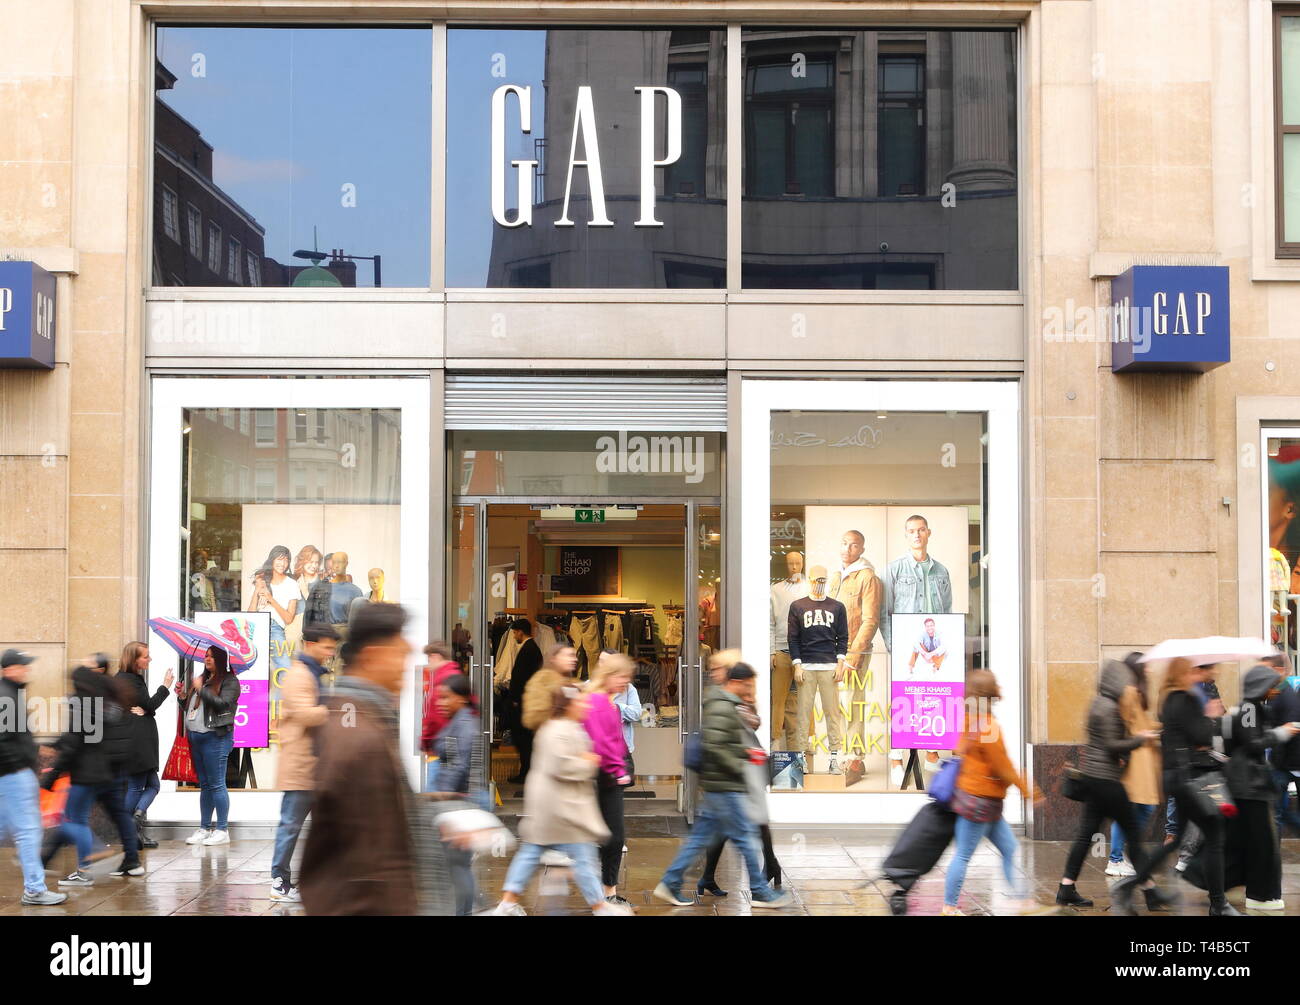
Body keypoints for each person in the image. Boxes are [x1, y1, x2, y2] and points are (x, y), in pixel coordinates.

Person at [300, 603, 448, 915]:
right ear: (372, 657)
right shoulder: (358, 734)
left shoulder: (366, 719)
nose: (406, 670)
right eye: (401, 657)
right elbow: (370, 861)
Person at [655, 663, 795, 910]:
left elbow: (724, 743)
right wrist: (741, 762)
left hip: (720, 785)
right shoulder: (722, 706)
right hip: (725, 785)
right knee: (746, 838)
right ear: (738, 682)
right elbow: (716, 747)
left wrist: (744, 752)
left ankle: (670, 882)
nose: (750, 689)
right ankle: (760, 891)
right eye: (748, 684)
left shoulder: (726, 704)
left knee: (699, 839)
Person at [490, 684, 631, 916]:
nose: (585, 706)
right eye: (580, 702)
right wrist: (589, 761)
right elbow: (562, 766)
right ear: (568, 705)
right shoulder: (559, 730)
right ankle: (599, 905)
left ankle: (508, 902)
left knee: (533, 854)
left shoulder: (561, 727)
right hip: (562, 810)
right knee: (581, 855)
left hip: (556, 809)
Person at [1115, 658, 1235, 916]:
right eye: (1198, 670)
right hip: (1189, 778)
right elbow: (1202, 736)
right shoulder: (1187, 699)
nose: (1203, 673)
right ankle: (1219, 905)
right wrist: (1212, 716)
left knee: (1176, 840)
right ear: (1185, 673)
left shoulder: (1168, 698)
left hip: (1175, 778)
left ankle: (1129, 887)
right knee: (1215, 837)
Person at [1057, 661, 1172, 910]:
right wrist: (1138, 740)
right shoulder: (1109, 707)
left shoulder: (1097, 703)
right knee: (1134, 838)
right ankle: (1151, 892)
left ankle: (1066, 887)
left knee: (1084, 837)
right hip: (1107, 782)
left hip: (1092, 780)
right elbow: (1112, 745)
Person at [942, 669, 1041, 915]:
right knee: (963, 855)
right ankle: (949, 907)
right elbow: (1003, 767)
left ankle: (1023, 901)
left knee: (1008, 847)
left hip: (980, 800)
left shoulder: (969, 720)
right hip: (981, 802)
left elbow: (960, 751)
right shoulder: (987, 727)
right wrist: (1028, 790)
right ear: (990, 694)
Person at [44, 656, 140, 884]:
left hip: (90, 772)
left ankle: (91, 858)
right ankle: (127, 860)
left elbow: (74, 741)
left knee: (72, 819)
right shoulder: (110, 700)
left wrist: (52, 775)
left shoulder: (87, 704)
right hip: (106, 770)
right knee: (91, 817)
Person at [698, 664, 783, 896]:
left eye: (717, 668)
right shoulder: (721, 698)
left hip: (746, 764)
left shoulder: (735, 695)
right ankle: (766, 871)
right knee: (735, 825)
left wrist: (744, 706)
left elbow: (754, 721)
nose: (713, 672)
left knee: (747, 822)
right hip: (737, 766)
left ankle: (766, 869)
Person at [882, 514, 954, 780]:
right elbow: (883, 612)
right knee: (902, 701)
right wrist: (894, 647)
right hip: (906, 645)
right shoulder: (894, 569)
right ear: (906, 535)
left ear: (928, 533)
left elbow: (947, 610)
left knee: (932, 699)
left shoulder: (941, 571)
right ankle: (896, 758)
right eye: (911, 531)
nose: (916, 535)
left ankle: (932, 754)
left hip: (932, 645)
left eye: (921, 530)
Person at [270, 623, 338, 902]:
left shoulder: (314, 673)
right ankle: (279, 882)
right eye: (327, 646)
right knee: (290, 826)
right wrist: (332, 709)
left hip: (316, 766)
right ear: (310, 644)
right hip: (301, 766)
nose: (330, 652)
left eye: (333, 648)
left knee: (325, 827)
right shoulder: (299, 675)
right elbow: (304, 713)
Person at [1224, 663, 1299, 911]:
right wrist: (1281, 733)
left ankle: (1244, 889)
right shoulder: (1248, 708)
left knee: (1251, 841)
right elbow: (1253, 743)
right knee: (1261, 843)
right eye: (1271, 686)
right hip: (1249, 784)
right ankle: (1260, 894)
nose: (1275, 691)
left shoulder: (1251, 707)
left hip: (1249, 783)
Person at [0, 650, 67, 905]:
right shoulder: (6, 696)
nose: (26, 670)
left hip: (10, 775)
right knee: (29, 831)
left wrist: (35, 750)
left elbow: (14, 737)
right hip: (13, 775)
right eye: (22, 666)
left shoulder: (10, 694)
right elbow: (4, 740)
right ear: (9, 669)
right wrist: (20, 766)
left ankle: (35, 888)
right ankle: (35, 890)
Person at [428, 673, 485, 916]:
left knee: (458, 866)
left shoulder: (463, 725)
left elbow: (458, 766)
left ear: (461, 698)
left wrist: (445, 800)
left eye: (446, 697)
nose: (441, 703)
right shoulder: (461, 722)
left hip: (457, 804)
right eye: (439, 698)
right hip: (459, 802)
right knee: (458, 866)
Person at [584, 652, 636, 908]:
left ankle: (608, 892)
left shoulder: (608, 702)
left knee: (613, 836)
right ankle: (603, 895)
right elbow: (601, 742)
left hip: (609, 774)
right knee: (608, 836)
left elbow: (614, 741)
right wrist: (618, 768)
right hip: (600, 775)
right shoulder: (597, 701)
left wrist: (619, 767)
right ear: (609, 675)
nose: (625, 682)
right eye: (622, 676)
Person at [827, 530, 882, 762]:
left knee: (851, 703)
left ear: (862, 549)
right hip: (831, 649)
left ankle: (854, 758)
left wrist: (855, 653)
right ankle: (842, 754)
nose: (847, 549)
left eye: (853, 545)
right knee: (835, 704)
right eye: (844, 543)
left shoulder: (867, 577)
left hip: (851, 650)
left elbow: (870, 620)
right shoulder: (836, 576)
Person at [788, 565, 849, 772]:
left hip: (829, 666)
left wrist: (840, 664)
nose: (819, 584)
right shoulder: (798, 606)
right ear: (810, 580)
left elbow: (843, 638)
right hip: (806, 666)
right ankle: (802, 758)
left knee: (832, 714)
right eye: (816, 580)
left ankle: (834, 759)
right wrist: (797, 665)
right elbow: (793, 638)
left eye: (823, 580)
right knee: (803, 714)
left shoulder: (837, 607)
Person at [1107, 652, 1162, 879]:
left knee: (1142, 809)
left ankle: (1123, 853)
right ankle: (1115, 858)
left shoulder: (1137, 692)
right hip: (1135, 760)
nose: (1150, 669)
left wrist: (1158, 727)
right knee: (1130, 811)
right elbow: (1122, 723)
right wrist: (1141, 735)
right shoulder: (1129, 692)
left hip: (1143, 760)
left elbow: (1142, 722)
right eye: (1146, 666)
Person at [181, 646, 241, 847]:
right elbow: (193, 709)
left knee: (217, 784)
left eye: (212, 657)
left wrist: (201, 689)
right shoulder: (203, 679)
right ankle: (204, 828)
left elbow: (222, 704)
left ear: (221, 660)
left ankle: (222, 830)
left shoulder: (230, 681)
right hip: (196, 737)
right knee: (205, 785)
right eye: (206, 656)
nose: (207, 659)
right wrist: (182, 697)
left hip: (215, 737)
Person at [116, 641, 173, 850]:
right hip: (138, 742)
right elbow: (149, 704)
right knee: (137, 787)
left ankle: (134, 828)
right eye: (145, 656)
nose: (149, 659)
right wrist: (165, 686)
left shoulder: (125, 678)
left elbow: (145, 707)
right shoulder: (131, 680)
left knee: (152, 786)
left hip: (136, 741)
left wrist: (147, 710)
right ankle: (129, 825)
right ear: (134, 659)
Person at [769, 550, 809, 751]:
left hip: (805, 651)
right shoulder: (775, 590)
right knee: (778, 698)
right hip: (782, 649)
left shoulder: (810, 588)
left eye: (797, 563)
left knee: (806, 698)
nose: (794, 567)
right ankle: (775, 738)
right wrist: (771, 651)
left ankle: (808, 738)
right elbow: (770, 622)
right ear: (785, 564)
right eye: (790, 563)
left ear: (802, 563)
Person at [419, 641, 463, 789]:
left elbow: (434, 716)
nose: (428, 664)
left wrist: (425, 741)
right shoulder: (457, 676)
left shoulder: (441, 681)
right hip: (455, 745)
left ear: (435, 657)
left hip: (441, 747)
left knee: (435, 793)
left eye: (428, 659)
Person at [1264, 654, 1300, 835]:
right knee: (1279, 812)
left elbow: (1292, 727)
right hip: (1283, 761)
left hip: (1288, 761)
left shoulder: (1287, 695)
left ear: (1279, 670)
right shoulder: (1275, 693)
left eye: (1266, 668)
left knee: (1278, 813)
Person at [248, 545, 299, 672]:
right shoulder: (261, 580)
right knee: (253, 669)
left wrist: (271, 599)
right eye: (279, 559)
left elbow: (288, 619)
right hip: (256, 626)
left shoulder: (292, 584)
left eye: (286, 560)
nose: (283, 564)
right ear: (272, 560)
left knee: (285, 668)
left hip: (275, 628)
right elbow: (251, 613)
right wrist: (257, 588)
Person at [505, 619, 544, 786]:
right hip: (526, 701)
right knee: (524, 739)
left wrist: (515, 699)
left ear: (521, 631)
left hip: (523, 702)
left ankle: (526, 772)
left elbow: (521, 678)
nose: (514, 636)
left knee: (523, 739)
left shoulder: (529, 649)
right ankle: (526, 771)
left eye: (515, 632)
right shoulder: (532, 648)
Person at [522, 645, 578, 733]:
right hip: (550, 735)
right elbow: (533, 717)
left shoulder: (574, 683)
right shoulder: (542, 680)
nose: (574, 659)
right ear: (554, 659)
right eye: (569, 656)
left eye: (574, 656)